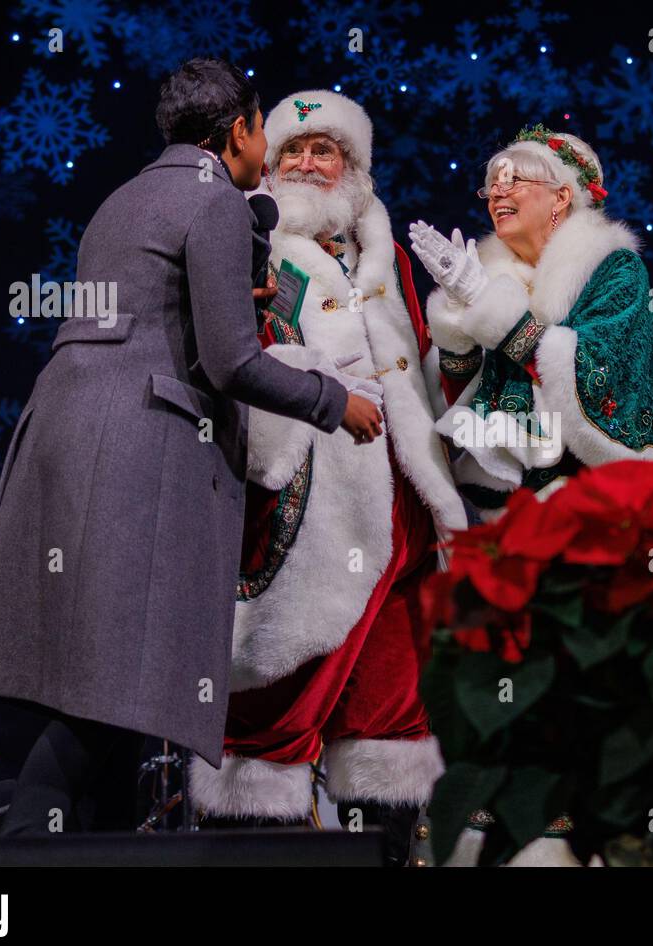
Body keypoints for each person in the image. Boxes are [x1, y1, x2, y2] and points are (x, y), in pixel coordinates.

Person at [0, 59, 383, 836]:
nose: (269, 147)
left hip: (67, 435)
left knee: (101, 680)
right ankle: (24, 849)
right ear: (237, 135)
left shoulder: (122, 199)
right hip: (140, 450)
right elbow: (231, 363)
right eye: (263, 130)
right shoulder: (216, 201)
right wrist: (336, 402)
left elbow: (147, 316)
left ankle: (63, 845)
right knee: (116, 683)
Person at [408, 124, 653, 864]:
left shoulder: (613, 273)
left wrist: (495, 314)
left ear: (563, 196)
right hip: (498, 508)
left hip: (593, 512)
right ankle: (494, 823)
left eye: (518, 177)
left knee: (577, 673)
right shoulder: (484, 272)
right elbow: (452, 397)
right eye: (493, 178)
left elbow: (599, 381)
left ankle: (583, 828)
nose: (499, 189)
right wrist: (454, 325)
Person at [187, 90, 467, 866]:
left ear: (353, 167)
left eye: (325, 150)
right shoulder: (248, 246)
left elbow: (421, 379)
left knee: (389, 724)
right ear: (269, 166)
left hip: (403, 526)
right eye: (293, 151)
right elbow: (228, 369)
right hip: (308, 522)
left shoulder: (388, 260)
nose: (308, 164)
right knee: (272, 719)